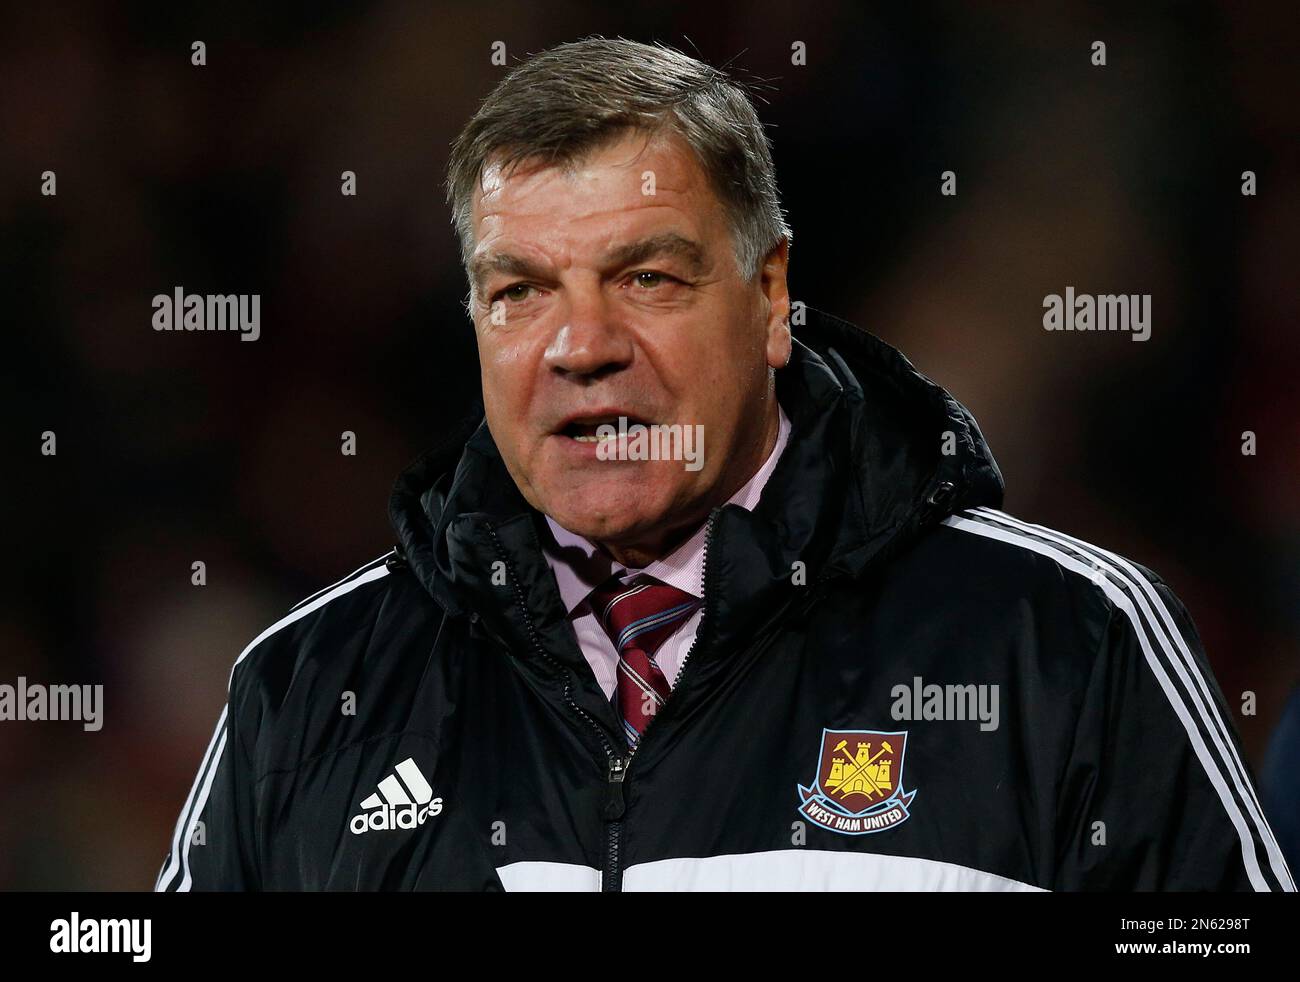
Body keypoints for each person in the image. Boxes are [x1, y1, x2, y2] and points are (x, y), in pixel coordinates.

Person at [156, 37, 1293, 892]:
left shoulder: (1063, 639)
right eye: (521, 292)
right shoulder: (307, 691)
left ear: (768, 300)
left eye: (647, 278)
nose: (582, 345)